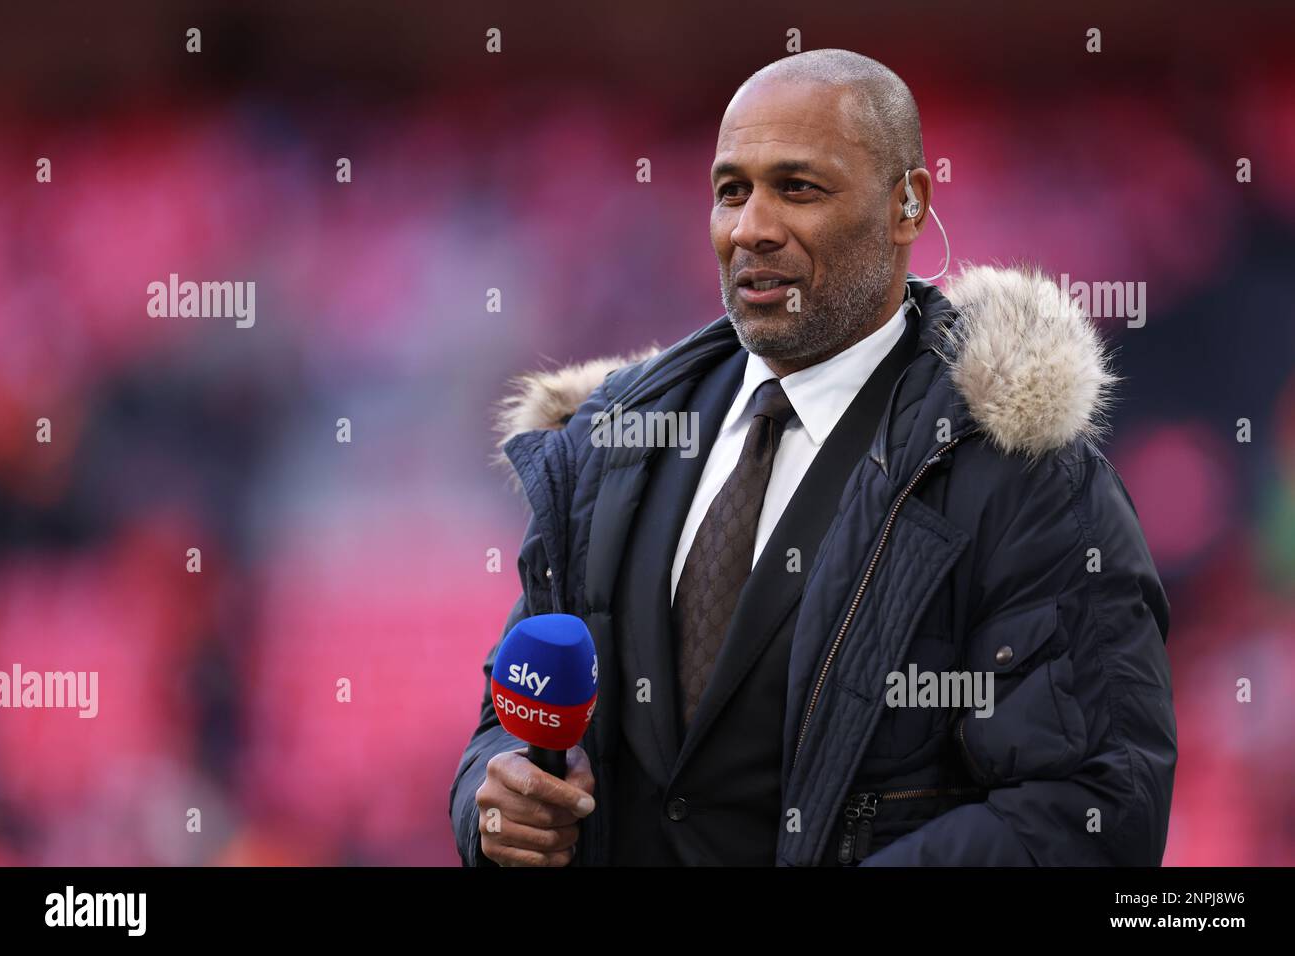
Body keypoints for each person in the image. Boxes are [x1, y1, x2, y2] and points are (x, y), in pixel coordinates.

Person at [449, 48, 1176, 866]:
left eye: (798, 187)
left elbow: (1095, 808)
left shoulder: (1026, 479)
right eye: (732, 191)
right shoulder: (610, 444)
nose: (751, 227)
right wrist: (498, 801)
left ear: (908, 203)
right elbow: (505, 723)